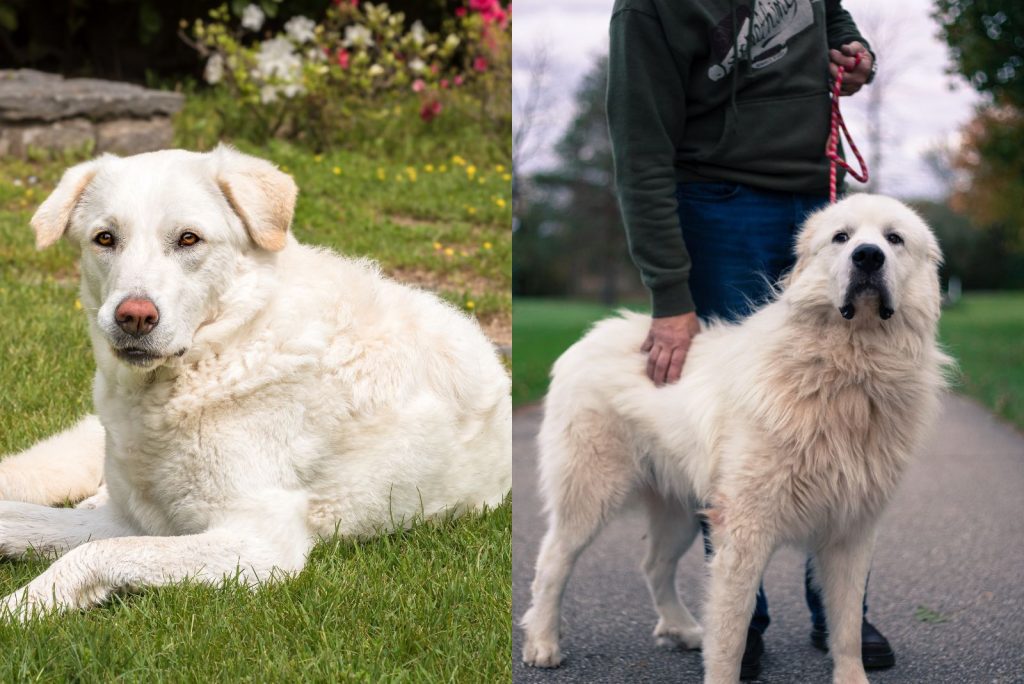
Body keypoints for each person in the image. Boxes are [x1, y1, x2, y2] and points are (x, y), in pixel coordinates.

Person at [606, 0, 892, 679]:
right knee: (743, 435)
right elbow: (639, 154)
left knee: (850, 424)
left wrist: (854, 55)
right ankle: (743, 620)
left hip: (823, 201)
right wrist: (671, 294)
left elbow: (831, 16)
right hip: (720, 207)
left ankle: (838, 615)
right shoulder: (646, 11)